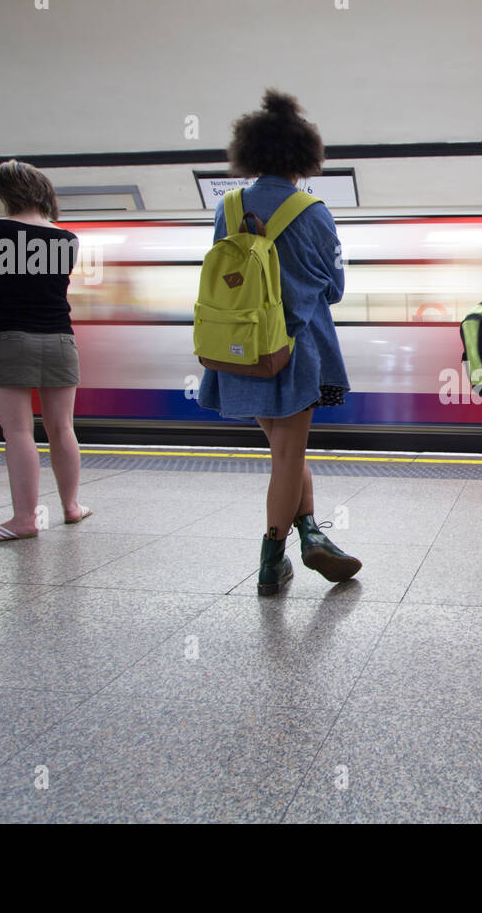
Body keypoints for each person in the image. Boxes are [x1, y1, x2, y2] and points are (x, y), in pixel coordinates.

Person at [198, 89, 359, 592]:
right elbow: (334, 289)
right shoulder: (313, 212)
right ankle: (272, 558)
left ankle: (312, 534)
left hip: (239, 350)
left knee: (284, 452)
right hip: (293, 352)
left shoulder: (227, 208)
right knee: (289, 455)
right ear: (303, 157)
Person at [0, 160, 90, 543]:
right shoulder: (66, 238)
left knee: (18, 431)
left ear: (5, 194)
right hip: (60, 339)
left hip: (7, 338)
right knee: (62, 427)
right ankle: (71, 507)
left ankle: (24, 519)